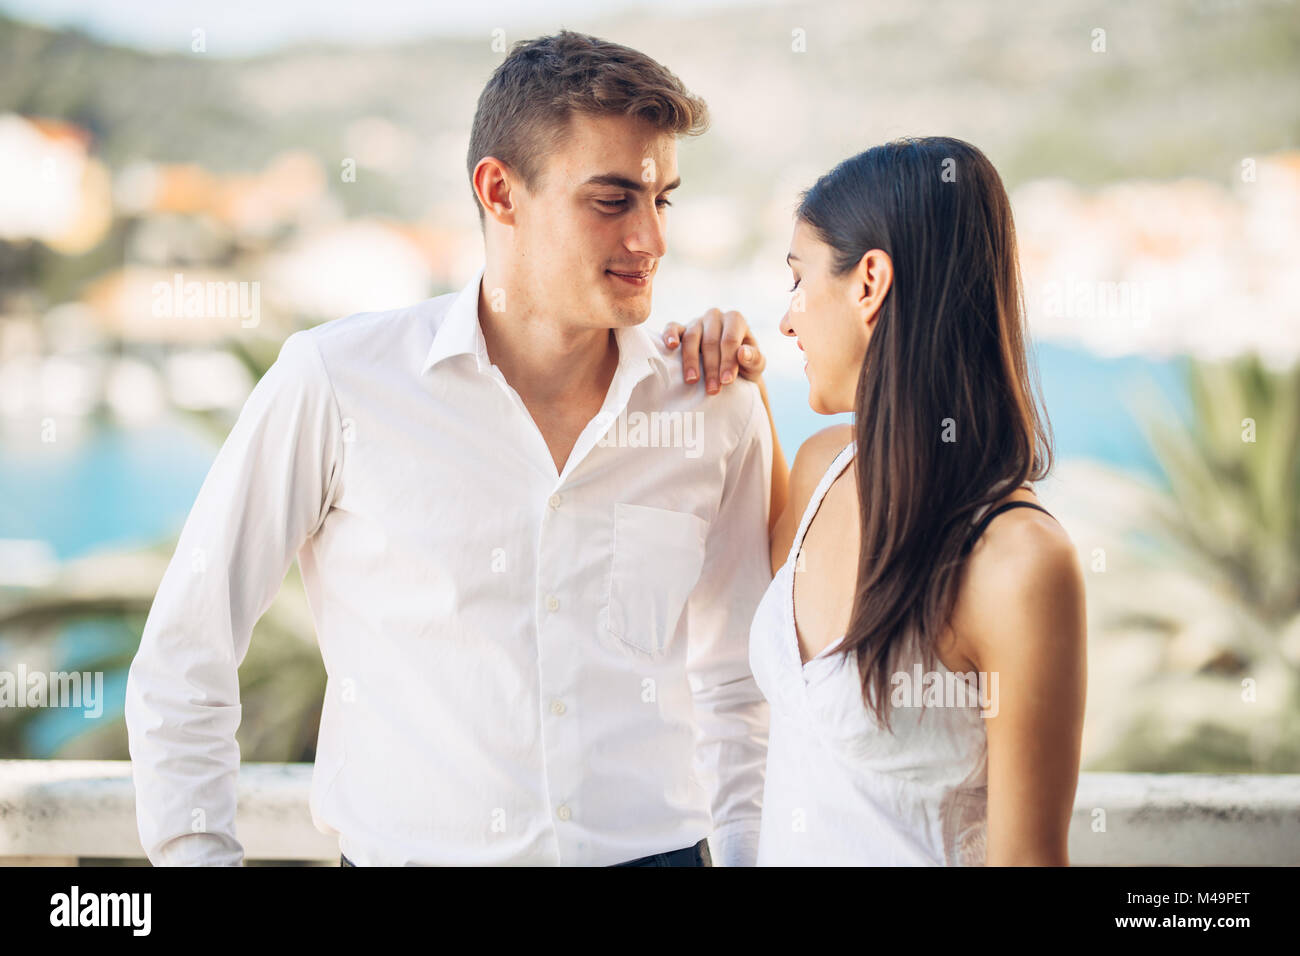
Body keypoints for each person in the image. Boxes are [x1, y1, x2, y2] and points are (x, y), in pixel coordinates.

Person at [124, 30, 774, 867]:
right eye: (613, 200)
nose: (651, 239)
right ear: (500, 191)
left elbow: (736, 685)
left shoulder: (714, 403)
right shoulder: (335, 381)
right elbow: (186, 653)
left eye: (663, 199)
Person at [664, 136, 1087, 865]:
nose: (788, 320)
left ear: (869, 283)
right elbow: (751, 579)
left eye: (798, 282)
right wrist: (736, 374)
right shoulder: (821, 467)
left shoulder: (1017, 562)